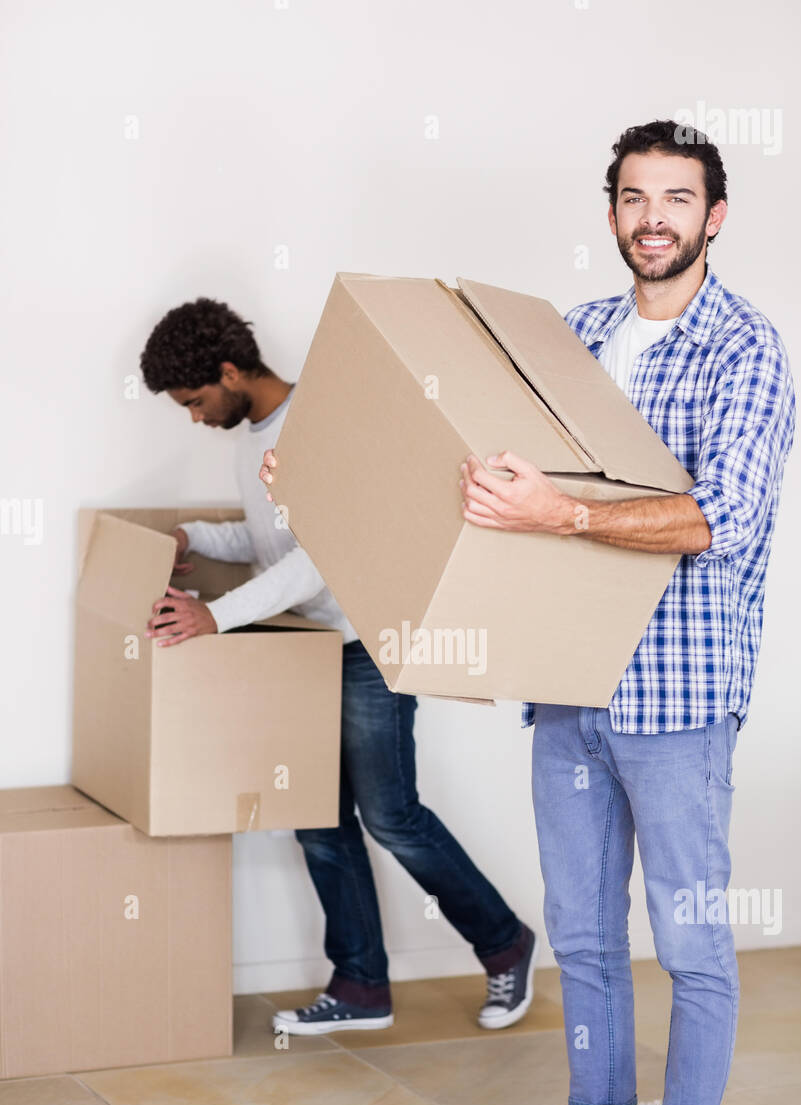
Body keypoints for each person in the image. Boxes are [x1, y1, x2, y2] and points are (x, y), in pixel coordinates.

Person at [458, 120, 795, 1105]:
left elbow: (718, 519)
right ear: (611, 212)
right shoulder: (578, 336)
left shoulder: (744, 349)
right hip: (568, 683)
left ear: (713, 216)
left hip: (680, 690)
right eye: (633, 195)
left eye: (678, 196)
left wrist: (570, 519)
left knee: (692, 949)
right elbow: (494, 472)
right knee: (586, 935)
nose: (654, 215)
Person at [139, 299, 537, 1035]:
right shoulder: (248, 438)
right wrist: (193, 535)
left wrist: (214, 616)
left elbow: (317, 564)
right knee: (318, 822)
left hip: (367, 645)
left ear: (229, 371)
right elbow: (273, 549)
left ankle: (505, 942)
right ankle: (360, 986)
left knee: (392, 818)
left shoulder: (317, 423)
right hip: (308, 652)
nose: (195, 418)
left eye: (196, 401)